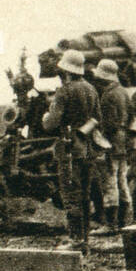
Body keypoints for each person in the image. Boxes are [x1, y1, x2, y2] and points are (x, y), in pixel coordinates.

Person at [41, 48, 100, 247]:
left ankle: (75, 239)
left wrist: (45, 117)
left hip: (69, 150)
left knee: (71, 195)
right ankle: (85, 238)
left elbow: (51, 123)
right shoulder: (91, 89)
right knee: (84, 194)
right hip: (88, 149)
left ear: (66, 71)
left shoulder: (64, 91)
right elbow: (96, 119)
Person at [91, 59, 132, 231]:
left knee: (109, 182)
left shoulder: (108, 96)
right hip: (123, 142)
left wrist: (99, 141)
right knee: (122, 180)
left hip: (111, 142)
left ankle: (110, 224)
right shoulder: (123, 92)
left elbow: (107, 124)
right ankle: (123, 222)